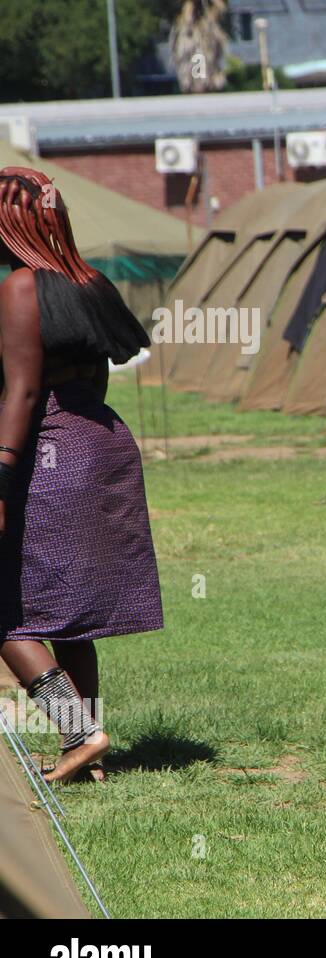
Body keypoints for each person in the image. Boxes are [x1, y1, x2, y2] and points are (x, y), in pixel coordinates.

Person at [0, 167, 162, 783]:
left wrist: (1, 481)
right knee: (69, 614)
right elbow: (98, 379)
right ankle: (86, 754)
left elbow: (20, 393)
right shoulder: (88, 282)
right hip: (101, 444)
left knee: (8, 610)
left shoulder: (20, 289)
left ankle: (79, 729)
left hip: (45, 453)